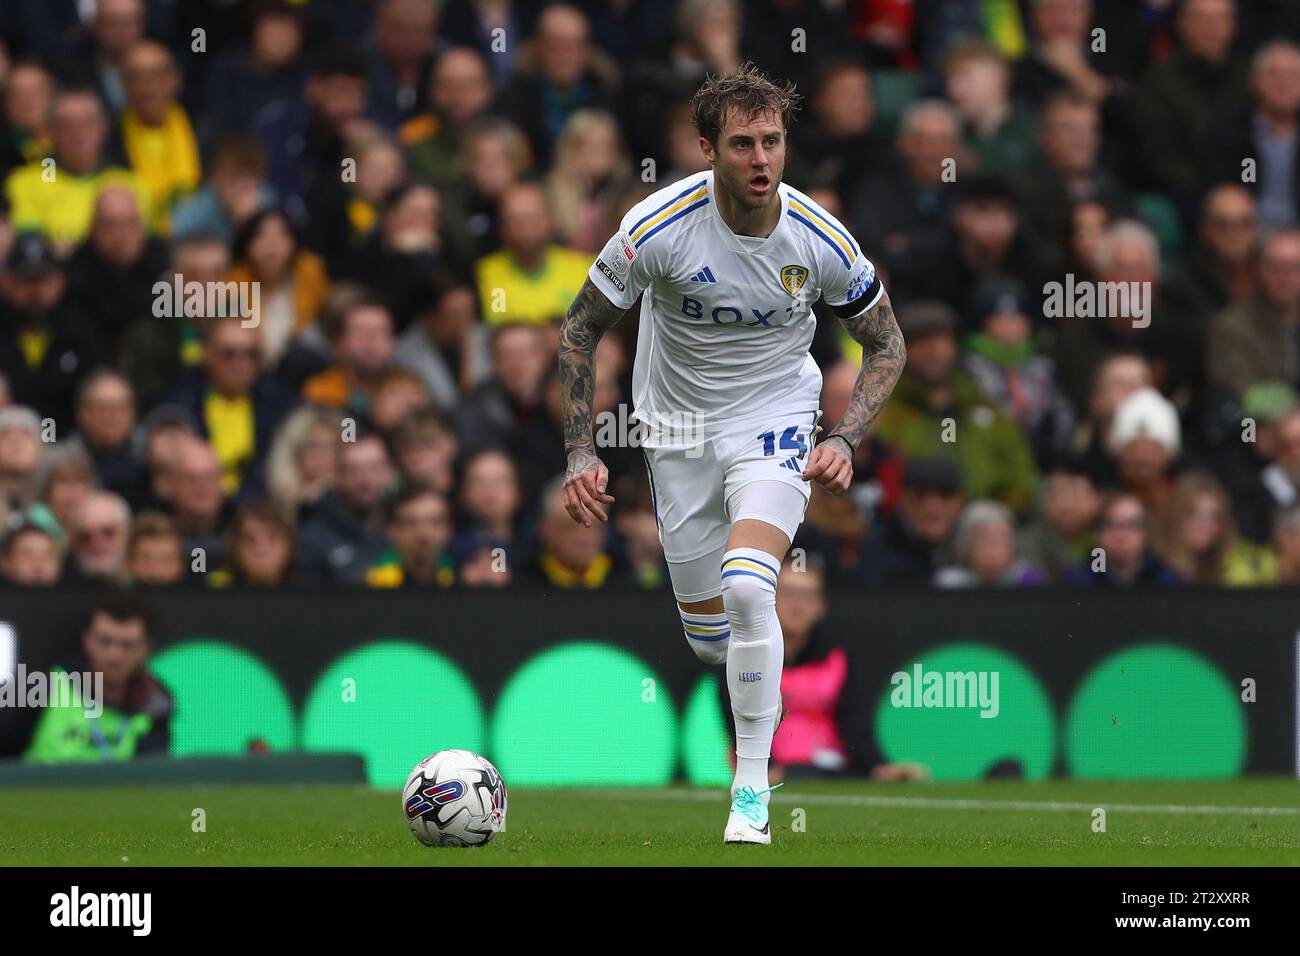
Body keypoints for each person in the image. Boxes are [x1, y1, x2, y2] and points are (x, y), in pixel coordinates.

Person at [557, 65, 904, 844]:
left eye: (773, 141)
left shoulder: (818, 239)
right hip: (676, 428)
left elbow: (886, 343)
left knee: (752, 591)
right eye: (742, 143)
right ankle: (739, 700)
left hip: (774, 420)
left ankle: (751, 786)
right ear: (707, 148)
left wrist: (844, 437)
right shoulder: (655, 229)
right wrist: (582, 448)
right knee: (709, 639)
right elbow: (580, 329)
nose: (760, 158)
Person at [13, 588, 173, 763]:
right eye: (105, 641)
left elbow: (150, 779)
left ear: (146, 649)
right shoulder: (43, 688)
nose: (114, 656)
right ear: (87, 640)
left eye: (128, 645)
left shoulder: (155, 702)